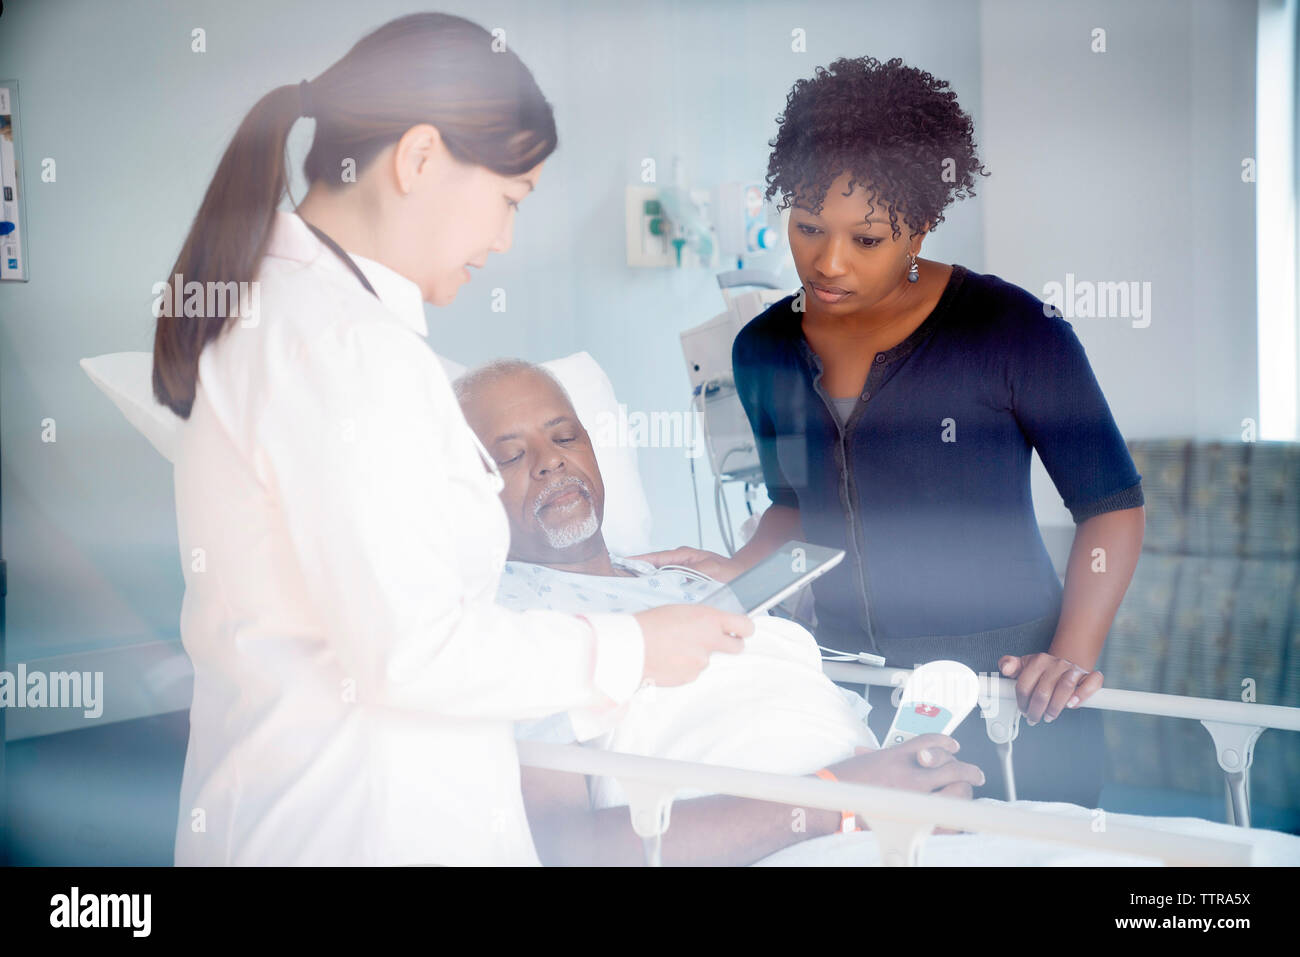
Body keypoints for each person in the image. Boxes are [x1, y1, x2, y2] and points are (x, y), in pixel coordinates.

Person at [152, 13, 751, 866]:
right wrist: (634, 644)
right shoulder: (341, 346)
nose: (504, 240)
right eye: (509, 200)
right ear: (421, 157)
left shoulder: (305, 317)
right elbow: (414, 650)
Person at [635, 57, 1146, 807]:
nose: (827, 261)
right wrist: (735, 575)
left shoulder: (1010, 331)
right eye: (808, 227)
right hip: (848, 688)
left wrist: (1070, 654)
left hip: (1010, 687)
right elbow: (793, 503)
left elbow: (1111, 504)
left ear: (921, 224)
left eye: (866, 239)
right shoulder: (763, 349)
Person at [454, 359, 985, 866]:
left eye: (565, 436)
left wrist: (918, 780)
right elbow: (567, 849)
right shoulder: (507, 624)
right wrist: (840, 801)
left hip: (893, 823)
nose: (551, 459)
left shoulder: (689, 579)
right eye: (509, 455)